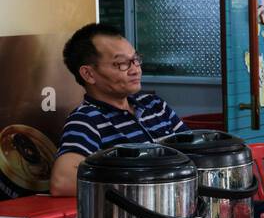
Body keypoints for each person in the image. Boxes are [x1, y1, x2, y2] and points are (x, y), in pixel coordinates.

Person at [48, 23, 188, 196]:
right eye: (122, 63)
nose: (135, 69)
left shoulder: (155, 106)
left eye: (136, 60)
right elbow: (63, 181)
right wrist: (145, 180)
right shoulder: (87, 119)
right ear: (89, 74)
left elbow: (193, 152)